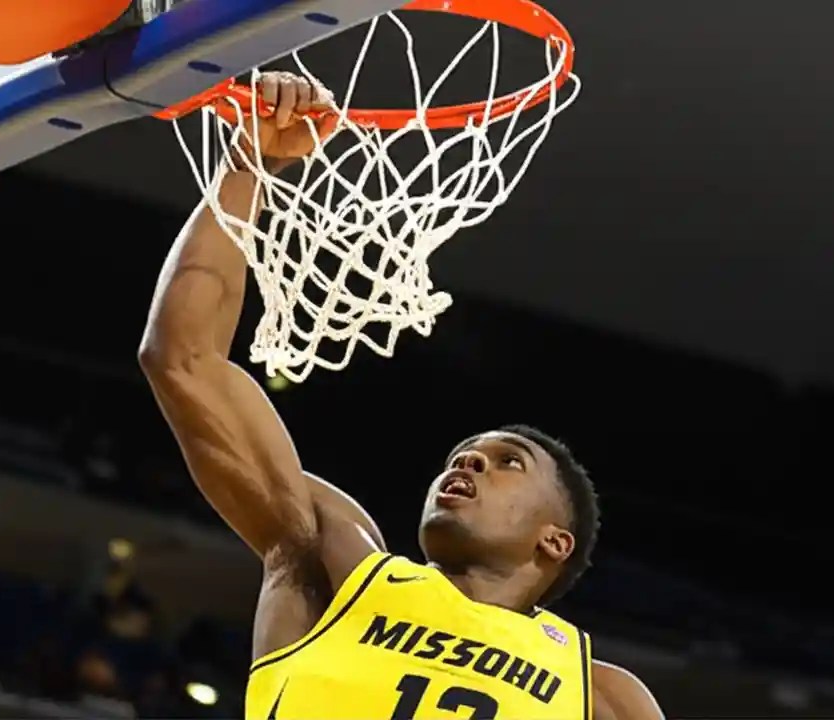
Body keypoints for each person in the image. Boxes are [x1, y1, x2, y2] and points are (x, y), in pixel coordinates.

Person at [138, 71, 664, 720]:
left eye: (508, 462)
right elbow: (184, 359)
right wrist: (251, 161)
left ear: (554, 541)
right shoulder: (335, 562)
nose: (468, 462)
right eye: (466, 455)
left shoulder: (602, 696)